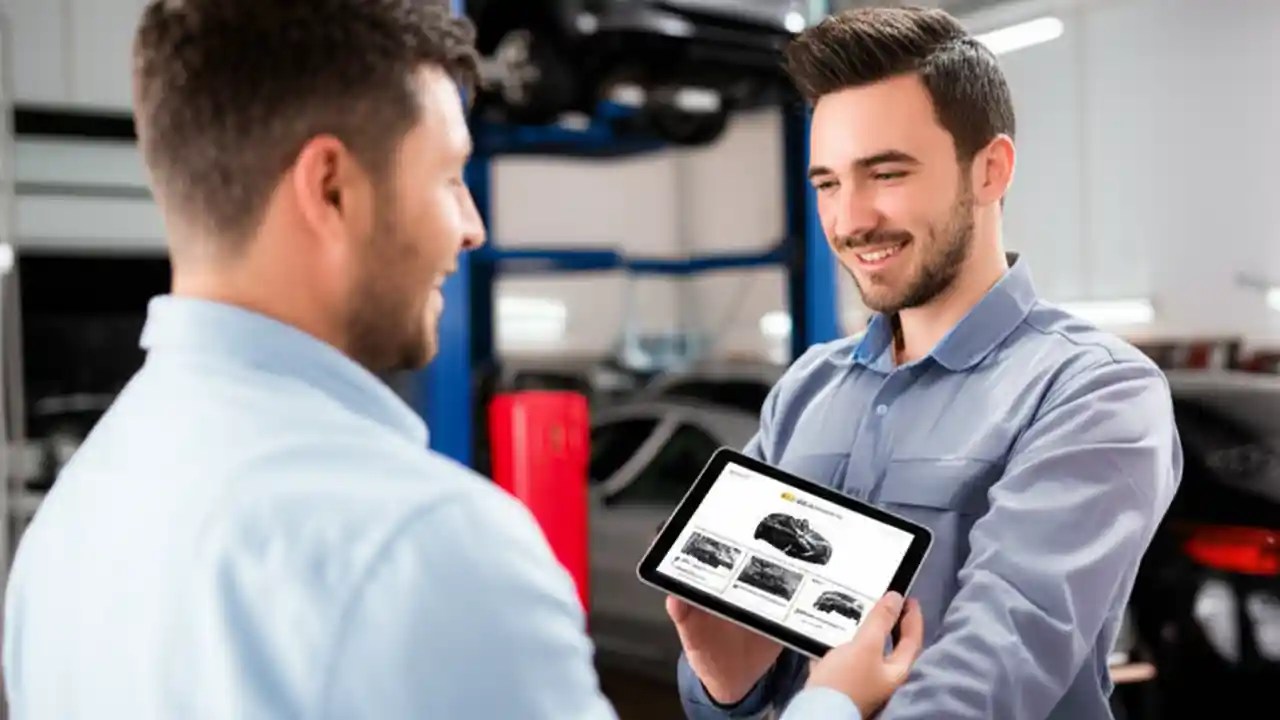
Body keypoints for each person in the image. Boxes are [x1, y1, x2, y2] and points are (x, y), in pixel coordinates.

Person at [1, 2, 925, 718]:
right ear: (332, 188)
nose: (471, 227)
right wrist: (833, 699)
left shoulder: (69, 526)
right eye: (448, 176)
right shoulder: (426, 549)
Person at [673, 6, 1182, 720]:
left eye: (885, 173)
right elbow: (733, 676)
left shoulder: (1093, 392)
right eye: (827, 183)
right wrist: (729, 683)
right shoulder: (805, 392)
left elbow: (994, 671)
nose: (850, 220)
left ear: (990, 170)